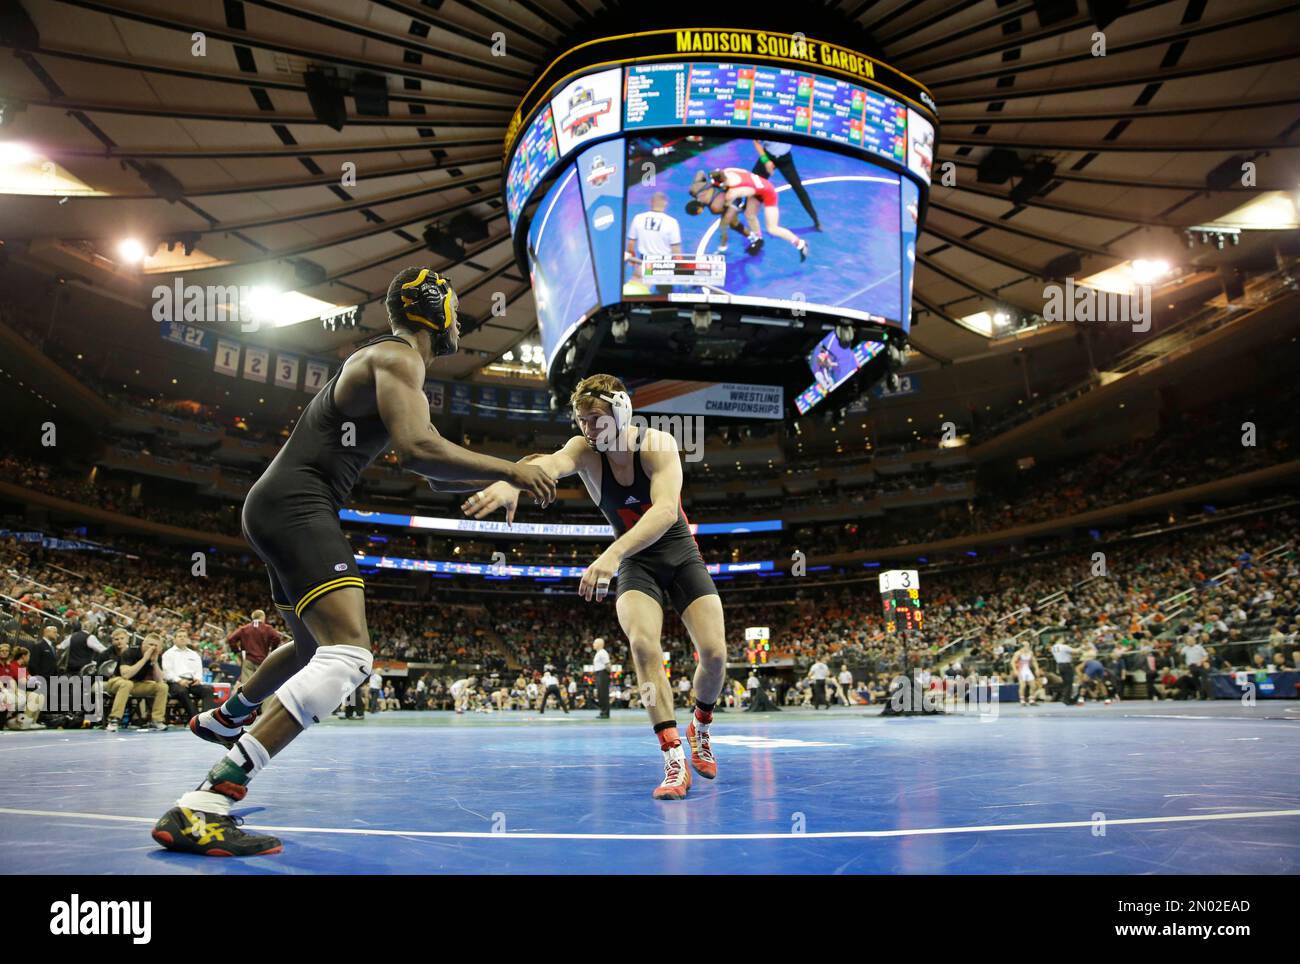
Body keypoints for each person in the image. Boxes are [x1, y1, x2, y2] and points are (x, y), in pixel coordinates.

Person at [152, 267, 557, 857]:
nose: (457, 320)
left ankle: (228, 717)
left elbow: (427, 462)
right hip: (297, 503)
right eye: (453, 307)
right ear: (433, 312)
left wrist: (496, 480)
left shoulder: (388, 361)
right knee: (349, 656)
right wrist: (511, 467)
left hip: (278, 503)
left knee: (315, 650)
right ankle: (207, 803)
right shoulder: (400, 359)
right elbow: (420, 448)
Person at [464, 373, 726, 800]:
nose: (588, 429)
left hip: (679, 555)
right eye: (582, 420)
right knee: (643, 646)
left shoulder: (657, 445)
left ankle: (700, 725)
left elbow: (663, 513)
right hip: (636, 563)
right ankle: (674, 757)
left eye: (596, 419)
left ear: (621, 412)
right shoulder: (583, 449)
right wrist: (513, 479)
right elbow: (548, 463)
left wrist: (610, 555)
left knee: (714, 655)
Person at [686, 168, 809, 261]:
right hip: (756, 184)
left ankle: (800, 244)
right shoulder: (728, 171)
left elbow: (736, 200)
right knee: (749, 215)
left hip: (767, 192)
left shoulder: (732, 192)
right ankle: (757, 238)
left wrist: (735, 207)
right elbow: (744, 172)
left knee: (772, 228)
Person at [105, 633, 169, 732]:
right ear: (143, 644)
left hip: (137, 684)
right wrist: (144, 659)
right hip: (116, 682)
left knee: (162, 687)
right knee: (127, 683)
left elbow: (159, 679)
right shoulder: (130, 652)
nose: (153, 648)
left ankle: (157, 721)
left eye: (156, 646)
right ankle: (114, 720)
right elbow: (126, 675)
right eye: (150, 645)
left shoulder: (156, 656)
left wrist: (155, 662)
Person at [751, 140, 820, 229]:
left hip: (785, 160)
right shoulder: (768, 126)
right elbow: (756, 141)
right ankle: (743, 205)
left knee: (799, 189)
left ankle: (815, 219)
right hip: (768, 157)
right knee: (753, 182)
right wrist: (766, 160)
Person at [625, 192, 682, 295]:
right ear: (665, 203)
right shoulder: (672, 222)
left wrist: (634, 261)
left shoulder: (638, 218)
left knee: (638, 292)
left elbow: (631, 244)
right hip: (664, 264)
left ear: (651, 202)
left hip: (644, 262)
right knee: (664, 296)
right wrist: (679, 269)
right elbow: (676, 249)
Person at [161, 630, 213, 722]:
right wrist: (179, 681)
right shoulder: (168, 654)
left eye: (184, 636)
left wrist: (198, 679)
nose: (182, 638)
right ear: (174, 639)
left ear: (187, 639)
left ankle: (207, 718)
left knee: (208, 689)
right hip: (175, 682)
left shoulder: (194, 654)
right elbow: (167, 672)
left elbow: (198, 670)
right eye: (180, 636)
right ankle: (196, 719)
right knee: (182, 691)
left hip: (192, 681)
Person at [224, 610, 284, 688]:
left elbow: (230, 639)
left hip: (248, 660)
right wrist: (272, 650)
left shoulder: (244, 628)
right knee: (262, 686)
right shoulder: (268, 629)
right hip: (263, 661)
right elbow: (277, 638)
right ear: (263, 617)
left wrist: (237, 652)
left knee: (246, 686)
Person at [1049, 638, 1076, 705]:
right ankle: (1066, 699)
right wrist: (1082, 647)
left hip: (1059, 665)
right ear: (1060, 639)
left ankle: (1065, 697)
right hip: (1066, 665)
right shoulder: (1064, 647)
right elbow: (1075, 651)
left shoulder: (1053, 648)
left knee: (1065, 682)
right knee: (1069, 682)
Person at [592, 637, 611, 718]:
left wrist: (606, 674)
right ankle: (603, 711)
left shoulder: (603, 652)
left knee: (604, 694)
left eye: (595, 643)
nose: (593, 644)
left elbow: (608, 665)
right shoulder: (598, 653)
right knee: (600, 694)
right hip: (599, 673)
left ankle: (606, 712)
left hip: (603, 673)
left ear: (600, 644)